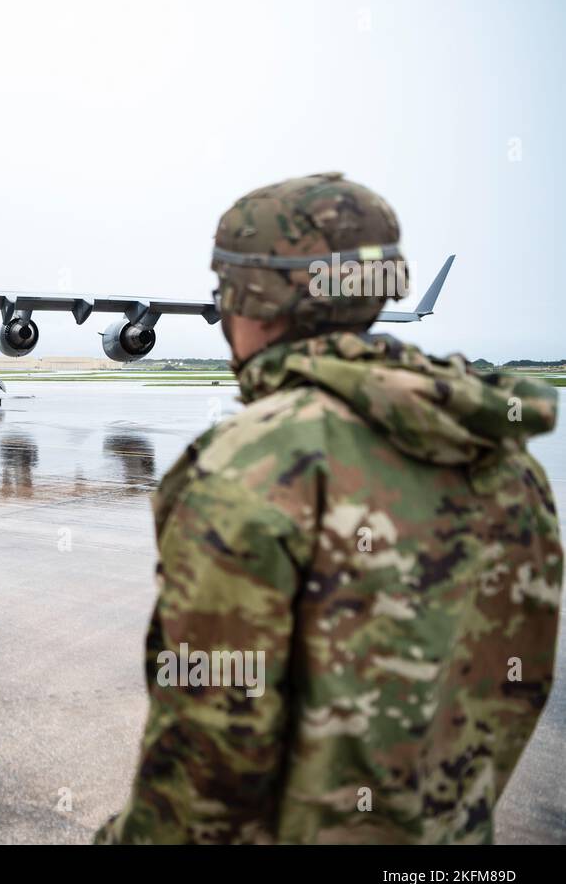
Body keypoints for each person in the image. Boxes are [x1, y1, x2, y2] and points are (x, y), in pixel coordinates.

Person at [96, 173, 561, 844]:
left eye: (225, 289)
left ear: (254, 298)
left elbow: (207, 770)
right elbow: (510, 698)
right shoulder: (504, 458)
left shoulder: (248, 470)